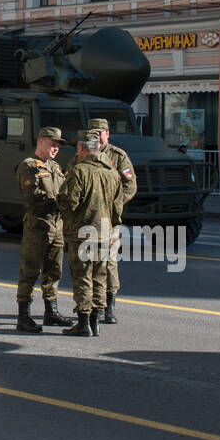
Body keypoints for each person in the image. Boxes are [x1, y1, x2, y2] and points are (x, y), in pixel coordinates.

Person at [56, 130, 121, 337]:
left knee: (83, 277)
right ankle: (96, 319)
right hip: (105, 233)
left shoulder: (79, 171)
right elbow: (118, 205)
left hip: (82, 232)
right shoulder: (112, 172)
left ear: (82, 148)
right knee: (100, 277)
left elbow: (68, 202)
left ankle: (83, 321)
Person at [13, 127, 74, 333]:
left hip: (56, 225)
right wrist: (60, 202)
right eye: (52, 143)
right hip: (38, 225)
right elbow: (33, 195)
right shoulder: (29, 167)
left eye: (58, 145)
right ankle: (23, 316)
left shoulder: (55, 167)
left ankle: (51, 312)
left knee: (54, 271)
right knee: (30, 270)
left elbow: (63, 189)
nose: (56, 148)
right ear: (41, 142)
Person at [87, 117, 134, 325]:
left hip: (109, 219)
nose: (97, 136)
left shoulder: (118, 156)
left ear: (108, 134)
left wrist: (114, 205)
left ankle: (109, 306)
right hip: (88, 218)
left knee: (109, 261)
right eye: (93, 133)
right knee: (86, 262)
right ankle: (88, 305)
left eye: (100, 133)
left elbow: (130, 185)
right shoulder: (85, 153)